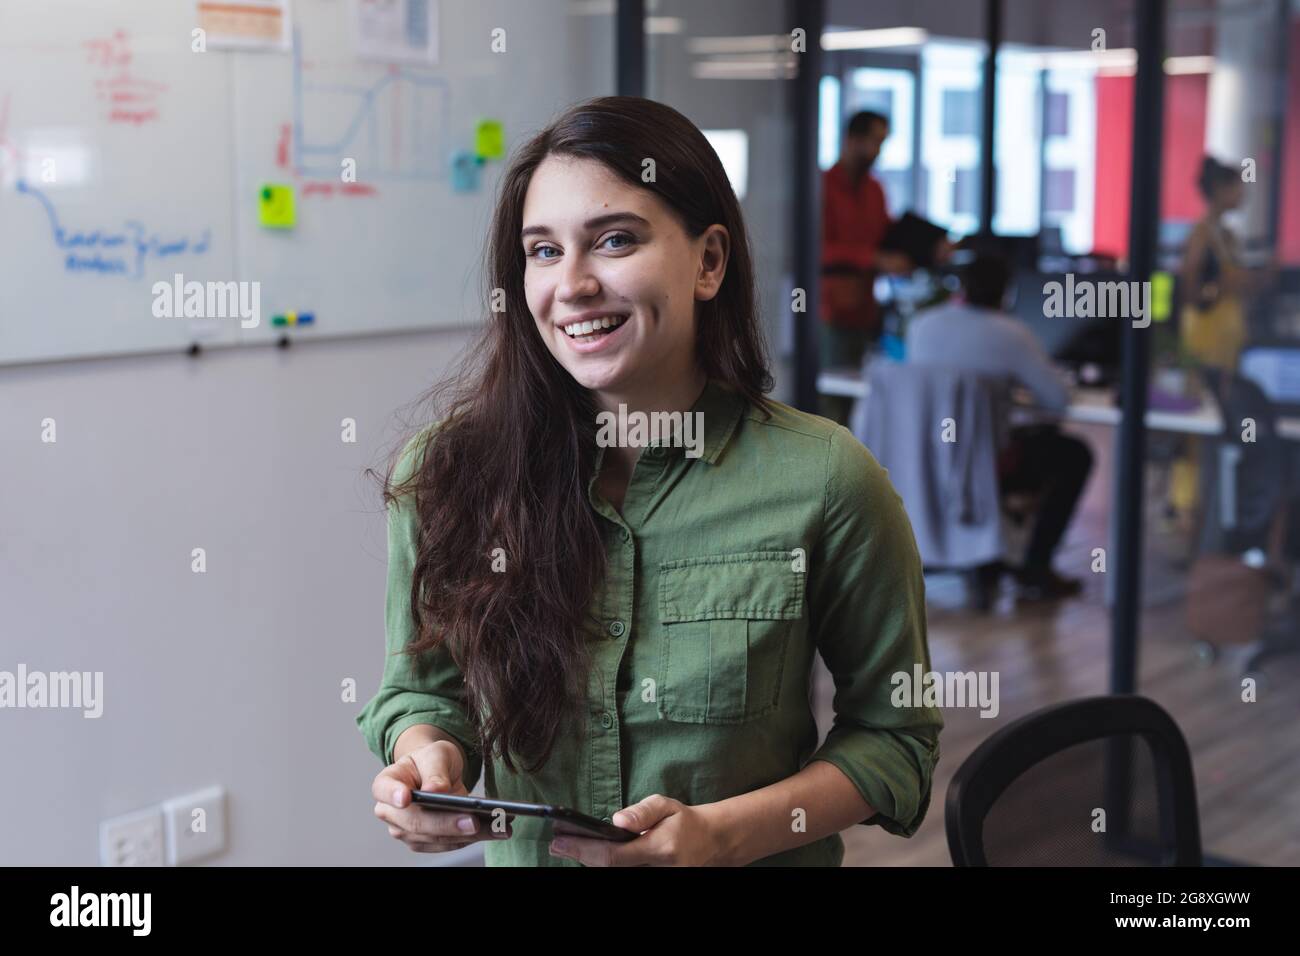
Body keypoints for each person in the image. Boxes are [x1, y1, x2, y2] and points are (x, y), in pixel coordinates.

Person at [356, 96, 942, 867]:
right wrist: (426, 756)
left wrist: (725, 834)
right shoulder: (447, 473)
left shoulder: (827, 479)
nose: (572, 285)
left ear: (708, 262)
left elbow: (895, 737)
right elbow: (420, 692)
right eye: (543, 251)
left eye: (614, 241)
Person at [906, 254, 1094, 605]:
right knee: (1074, 454)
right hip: (985, 463)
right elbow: (1057, 399)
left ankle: (993, 550)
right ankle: (1035, 568)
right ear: (1007, 293)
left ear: (959, 287)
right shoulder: (1010, 334)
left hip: (927, 459)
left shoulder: (922, 326)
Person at [1168, 155, 1276, 530]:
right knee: (1200, 421)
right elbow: (1191, 290)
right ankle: (1186, 509)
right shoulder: (1202, 235)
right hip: (1204, 339)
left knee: (1222, 419)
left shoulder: (1226, 235)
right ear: (1220, 190)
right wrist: (1225, 286)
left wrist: (1257, 279)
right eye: (1237, 187)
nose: (1242, 194)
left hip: (1227, 342)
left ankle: (1211, 508)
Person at [820, 110, 914, 425]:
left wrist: (925, 248)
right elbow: (816, 249)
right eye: (874, 142)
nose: (878, 151)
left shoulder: (875, 190)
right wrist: (873, 259)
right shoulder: (823, 187)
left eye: (882, 143)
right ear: (852, 140)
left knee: (858, 405)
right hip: (829, 310)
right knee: (830, 404)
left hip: (866, 309)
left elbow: (886, 236)